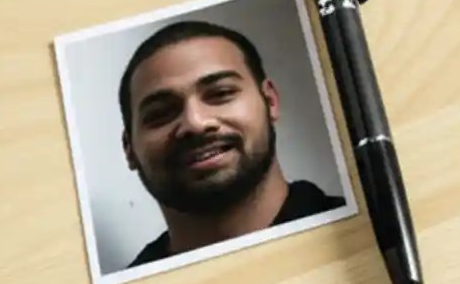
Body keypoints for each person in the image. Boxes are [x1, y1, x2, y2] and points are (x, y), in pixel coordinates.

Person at [117, 20, 344, 269]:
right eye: (160, 113)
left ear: (269, 101)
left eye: (221, 93)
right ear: (129, 148)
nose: (195, 123)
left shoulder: (371, 230)